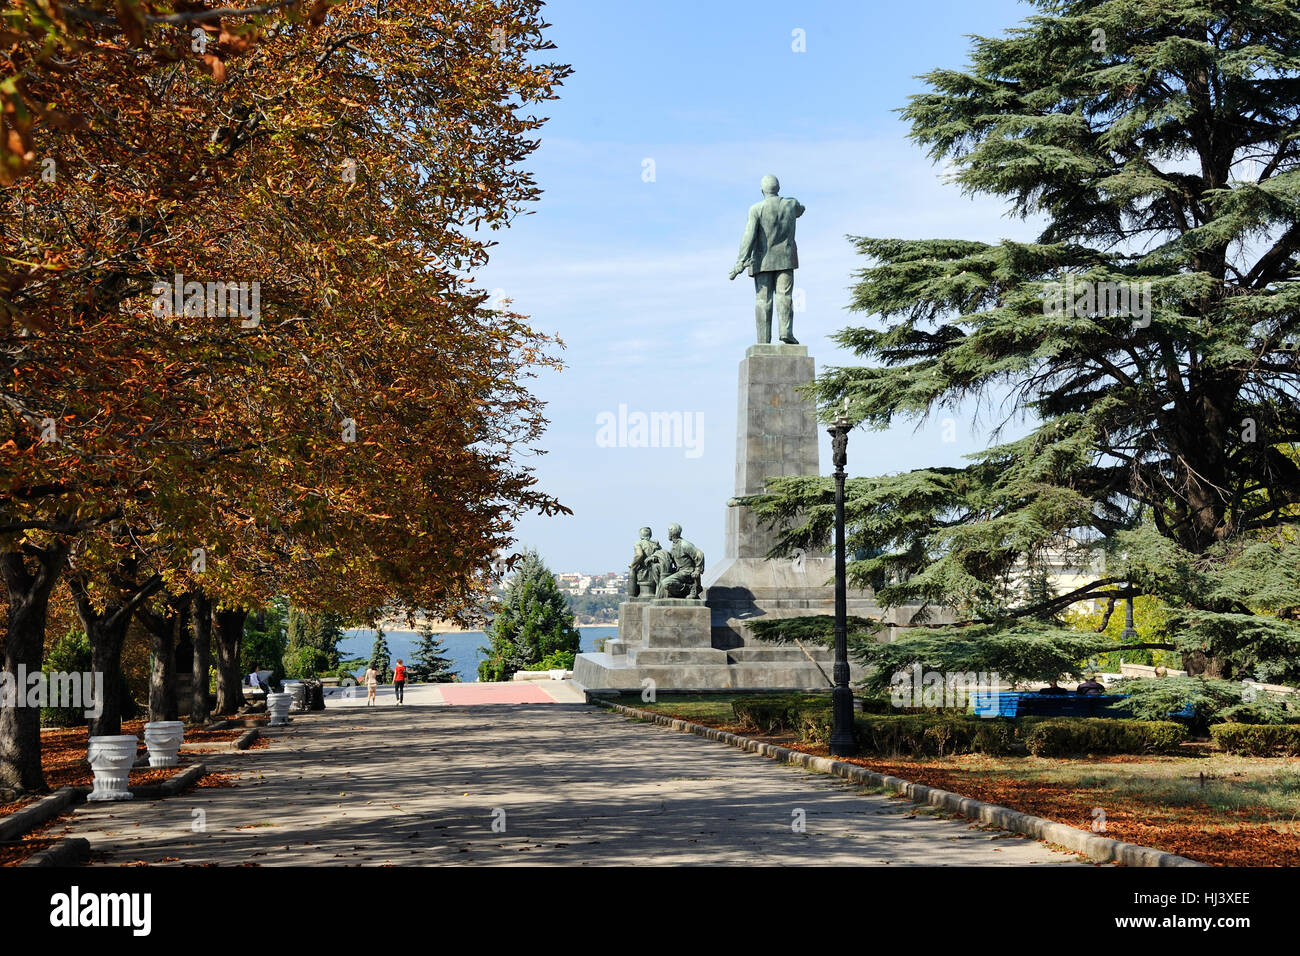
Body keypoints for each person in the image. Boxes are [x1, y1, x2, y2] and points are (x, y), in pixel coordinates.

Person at [729, 174, 806, 344]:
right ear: (778, 188)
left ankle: (763, 340)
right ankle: (786, 331)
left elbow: (748, 236)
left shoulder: (756, 209)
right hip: (786, 259)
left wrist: (740, 260)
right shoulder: (791, 204)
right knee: (784, 296)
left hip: (762, 261)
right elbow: (801, 209)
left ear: (762, 190)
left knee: (763, 300)